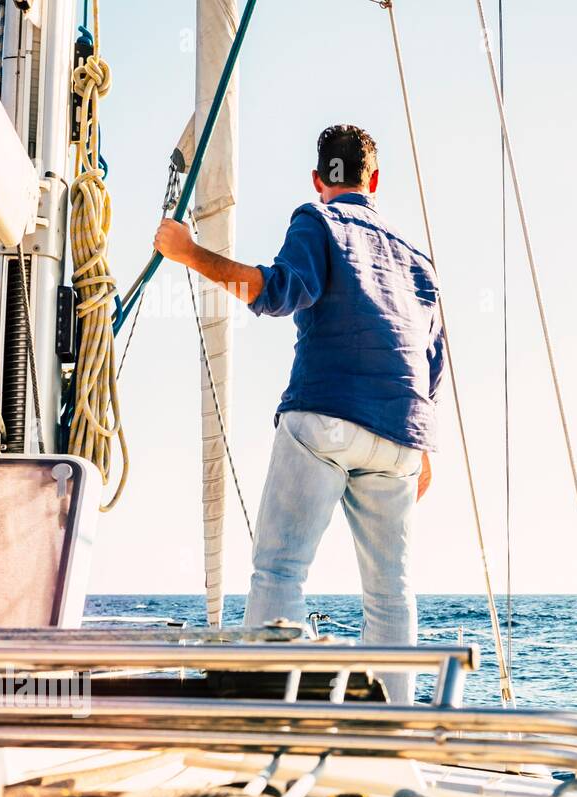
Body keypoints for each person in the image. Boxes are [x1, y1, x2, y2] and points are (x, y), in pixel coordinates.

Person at [153, 124, 442, 704]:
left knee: (281, 571)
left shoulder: (317, 219)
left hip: (325, 417)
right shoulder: (417, 260)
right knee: (390, 591)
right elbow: (431, 358)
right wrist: (422, 450)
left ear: (318, 179)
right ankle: (392, 729)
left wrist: (187, 253)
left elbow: (280, 291)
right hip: (401, 436)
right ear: (374, 180)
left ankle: (272, 713)